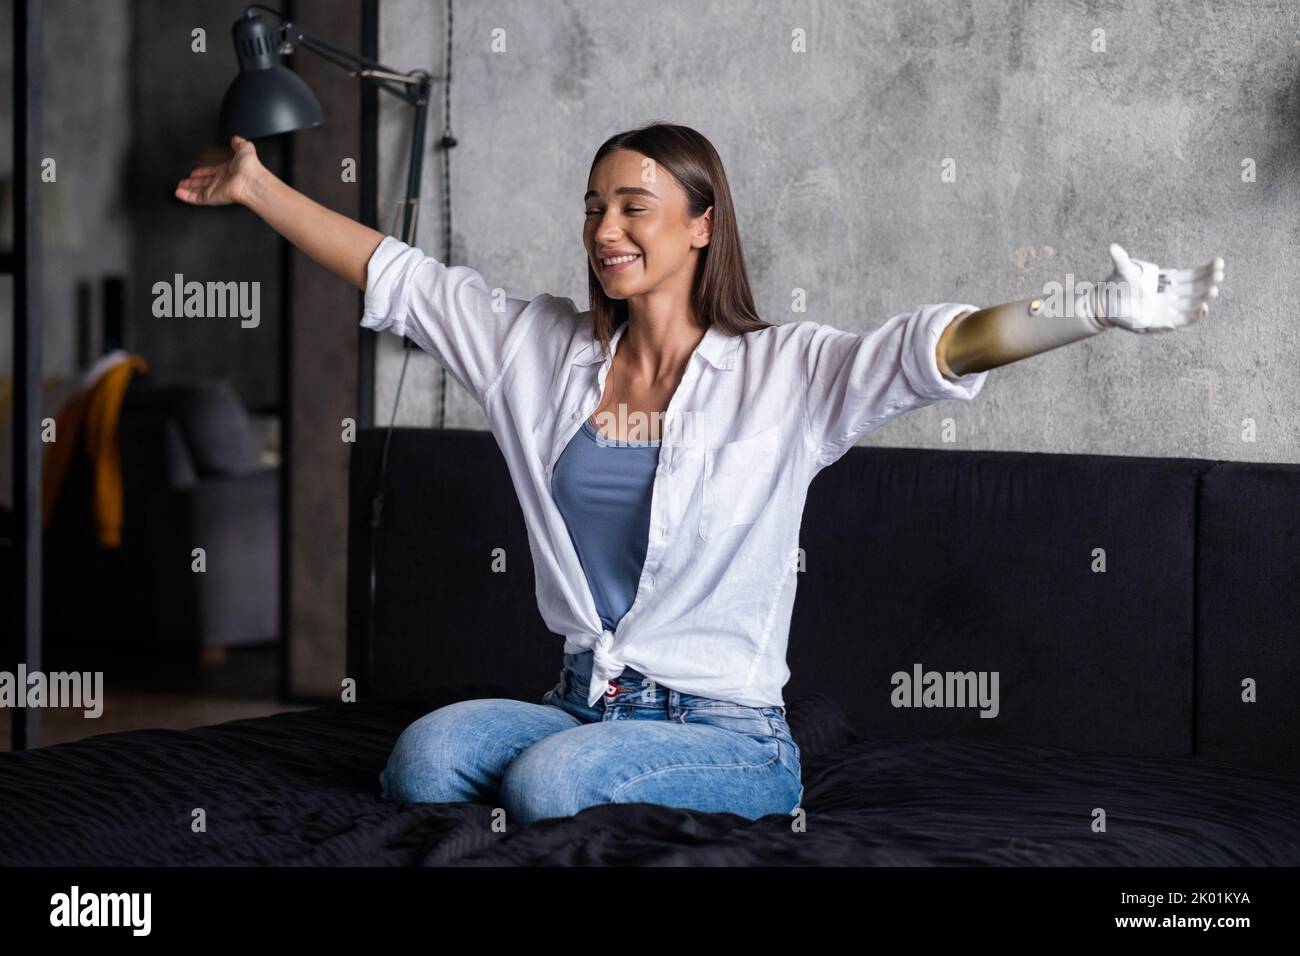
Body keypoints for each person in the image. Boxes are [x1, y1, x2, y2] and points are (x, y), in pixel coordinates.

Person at [175, 121, 1224, 826]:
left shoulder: (786, 373)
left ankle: (756, 780)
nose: (604, 230)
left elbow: (931, 348)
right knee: (422, 758)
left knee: (545, 786)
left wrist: (1089, 307)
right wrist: (260, 185)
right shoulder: (532, 349)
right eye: (593, 207)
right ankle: (586, 753)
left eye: (634, 206)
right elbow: (398, 278)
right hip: (579, 697)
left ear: (701, 223)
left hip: (726, 726)